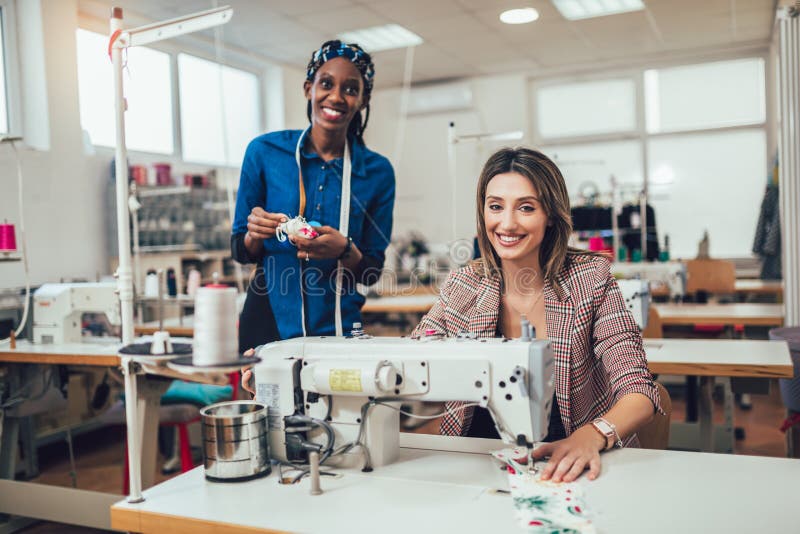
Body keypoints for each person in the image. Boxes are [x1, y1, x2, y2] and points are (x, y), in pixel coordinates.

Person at [412, 147, 662, 483]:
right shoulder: (464, 285)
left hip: (575, 464)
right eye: (495, 206)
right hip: (476, 468)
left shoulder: (590, 280)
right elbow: (412, 362)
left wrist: (592, 434)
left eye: (526, 207)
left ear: (551, 215)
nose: (507, 223)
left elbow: (640, 392)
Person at [231, 40, 395, 365]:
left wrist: (344, 251)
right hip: (267, 324)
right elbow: (240, 250)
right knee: (270, 415)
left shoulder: (377, 173)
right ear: (309, 89)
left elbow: (371, 270)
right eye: (326, 84)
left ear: (362, 100)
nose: (336, 96)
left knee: (339, 415)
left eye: (350, 89)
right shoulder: (264, 153)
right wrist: (255, 233)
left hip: (340, 327)